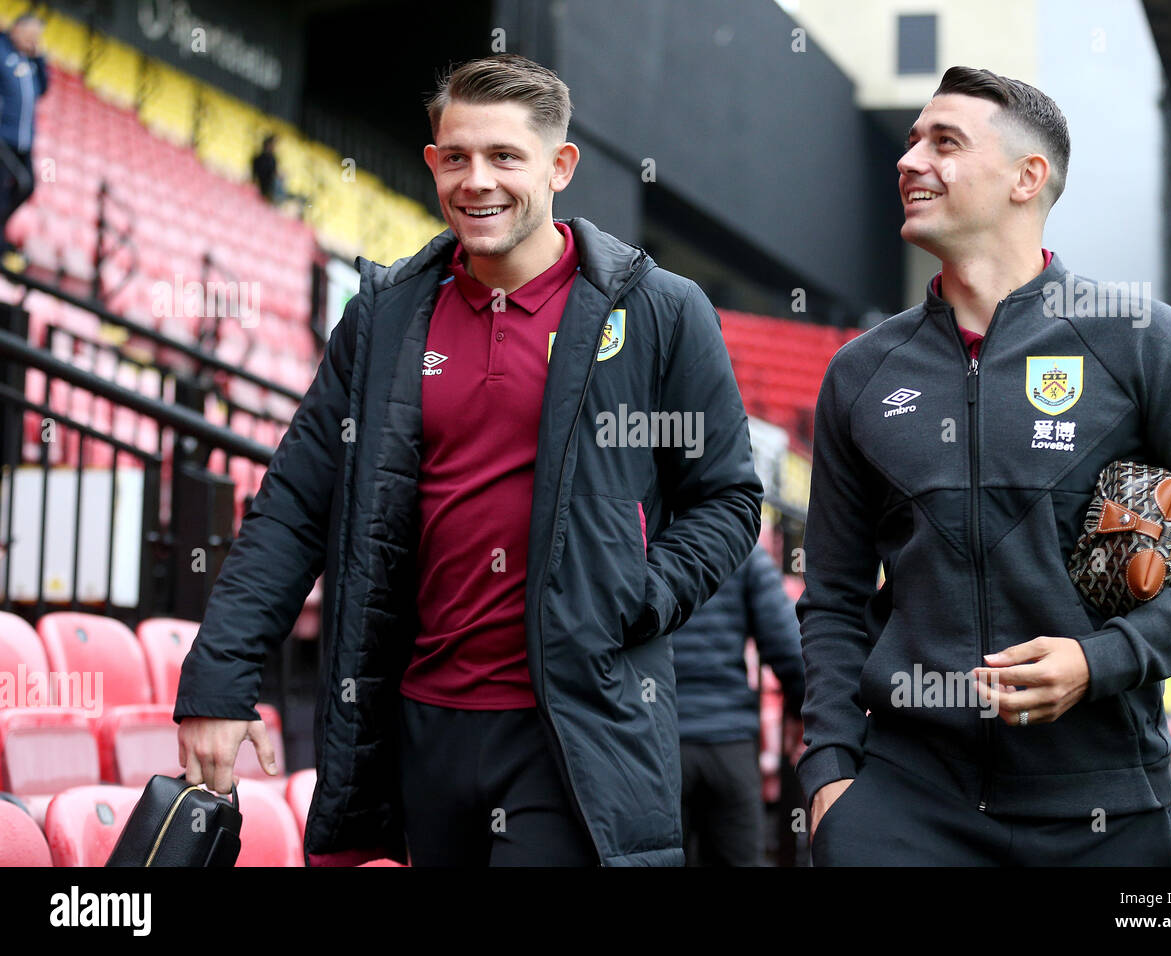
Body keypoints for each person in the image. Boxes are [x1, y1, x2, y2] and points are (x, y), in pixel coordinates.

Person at [173, 53, 763, 866]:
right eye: (456, 157)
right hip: (421, 727)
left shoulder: (660, 311)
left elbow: (727, 499)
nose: (476, 180)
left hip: (573, 729)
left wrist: (636, 595)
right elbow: (295, 504)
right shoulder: (382, 319)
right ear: (432, 164)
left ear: (560, 167)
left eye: (504, 157)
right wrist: (219, 678)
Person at [797, 66, 1171, 866]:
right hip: (907, 804)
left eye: (945, 141)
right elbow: (832, 598)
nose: (910, 159)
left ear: (1027, 178)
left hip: (1104, 803)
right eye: (913, 139)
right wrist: (827, 776)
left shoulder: (1139, 337)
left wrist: (1103, 660)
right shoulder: (861, 373)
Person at [673, 541, 805, 866]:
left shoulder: (640, 540)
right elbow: (790, 650)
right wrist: (798, 713)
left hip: (660, 744)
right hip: (729, 748)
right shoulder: (739, 548)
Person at [0, 14, 47, 259]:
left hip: (23, 141)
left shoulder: (29, 61)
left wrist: (38, 55)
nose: (33, 39)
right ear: (18, 29)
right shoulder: (2, 49)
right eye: (30, 33)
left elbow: (44, 88)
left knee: (26, 186)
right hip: (3, 139)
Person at [251, 134, 308, 215]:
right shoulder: (260, 159)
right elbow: (257, 177)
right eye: (273, 145)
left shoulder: (272, 158)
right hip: (268, 190)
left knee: (300, 197)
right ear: (267, 145)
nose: (274, 148)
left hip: (273, 191)